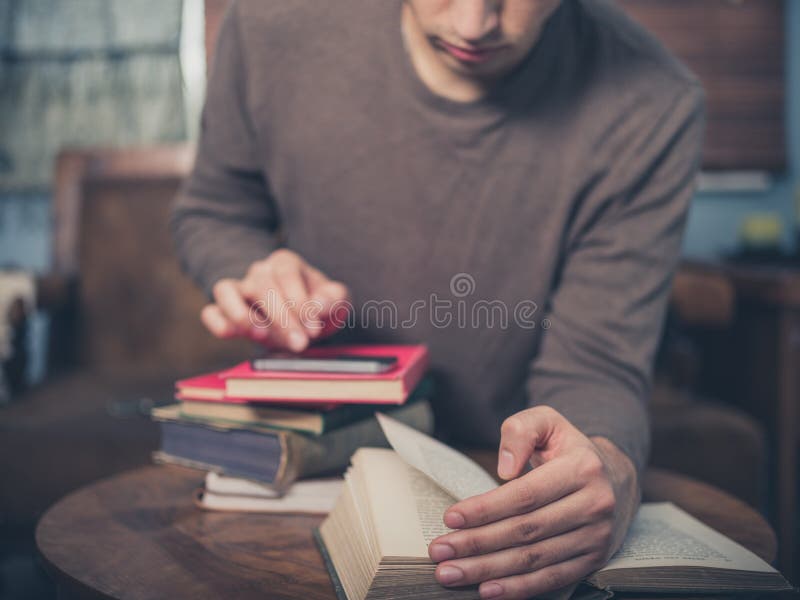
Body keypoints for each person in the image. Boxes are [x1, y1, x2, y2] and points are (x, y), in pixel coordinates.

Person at [172, 0, 704, 597]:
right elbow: (216, 213)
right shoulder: (271, 24)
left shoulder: (653, 99)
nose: (474, 24)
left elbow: (597, 360)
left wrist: (608, 459)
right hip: (311, 455)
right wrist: (252, 273)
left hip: (495, 475)